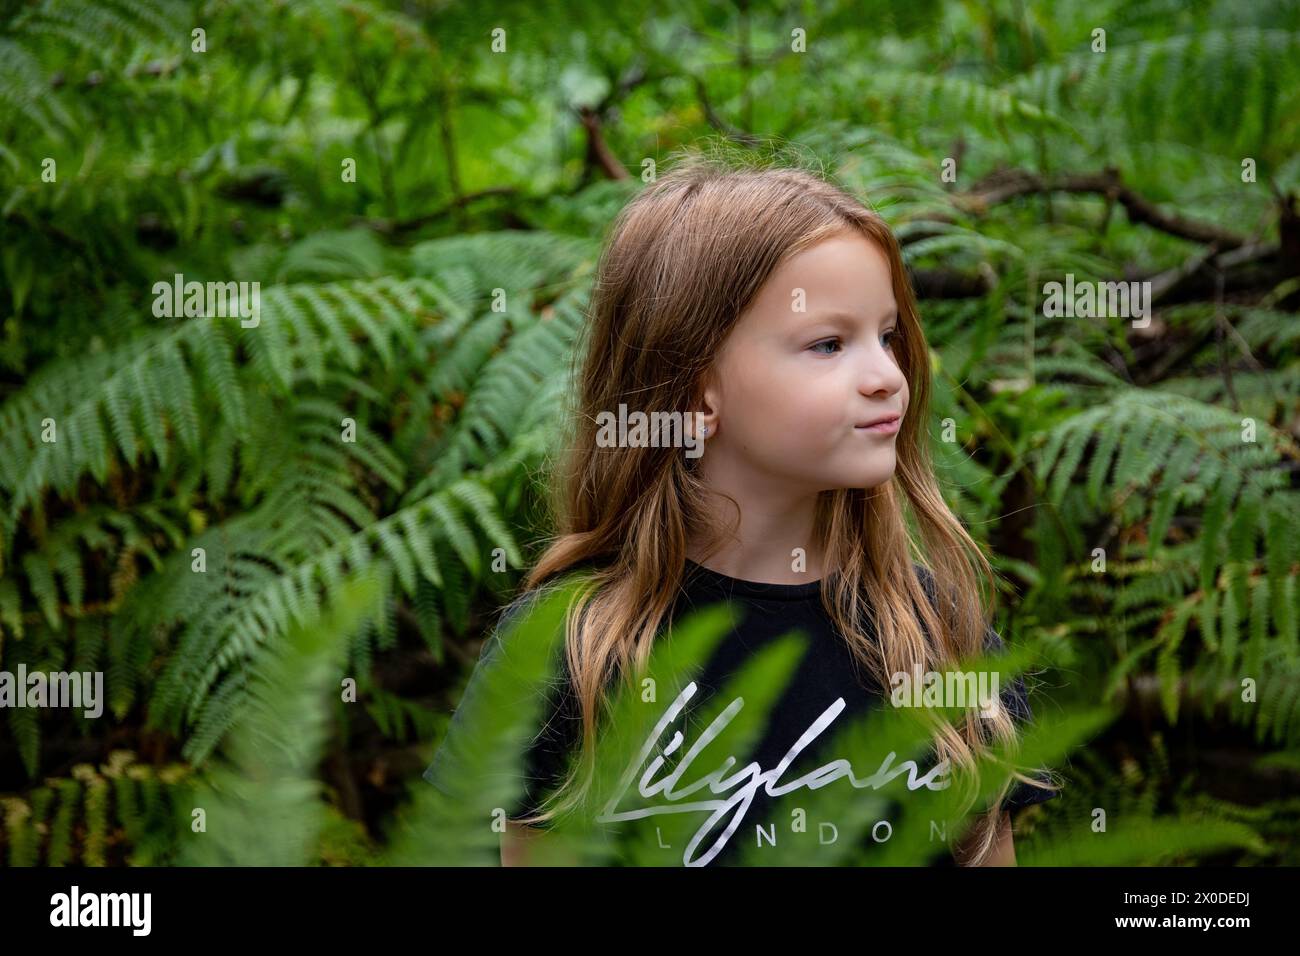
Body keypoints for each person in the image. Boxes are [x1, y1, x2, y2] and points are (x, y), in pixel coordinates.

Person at [424, 150, 1061, 867]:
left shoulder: (936, 632)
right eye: (828, 344)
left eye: (886, 336)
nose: (887, 375)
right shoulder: (574, 649)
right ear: (698, 393)